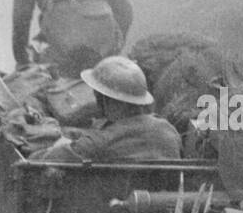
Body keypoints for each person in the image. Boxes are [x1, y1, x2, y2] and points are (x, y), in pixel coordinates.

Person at [34, 55, 180, 163]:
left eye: (98, 97)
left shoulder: (99, 142)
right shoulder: (169, 131)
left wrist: (62, 143)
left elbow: (38, 161)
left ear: (106, 100)